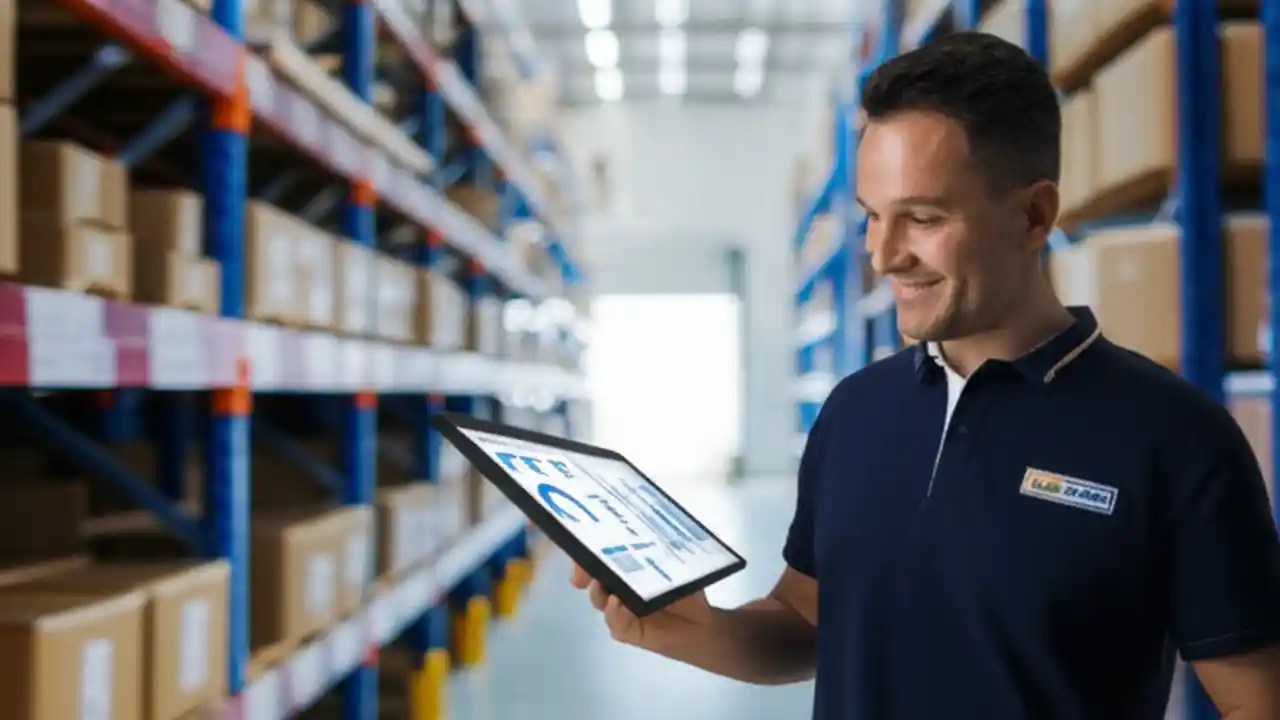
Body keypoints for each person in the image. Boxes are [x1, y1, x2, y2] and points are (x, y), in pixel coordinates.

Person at [570, 31, 1280, 718]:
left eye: (922, 218)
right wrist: (698, 629)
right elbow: (806, 620)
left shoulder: (1174, 437)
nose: (883, 257)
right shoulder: (854, 413)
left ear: (1034, 216)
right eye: (873, 217)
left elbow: (1256, 699)